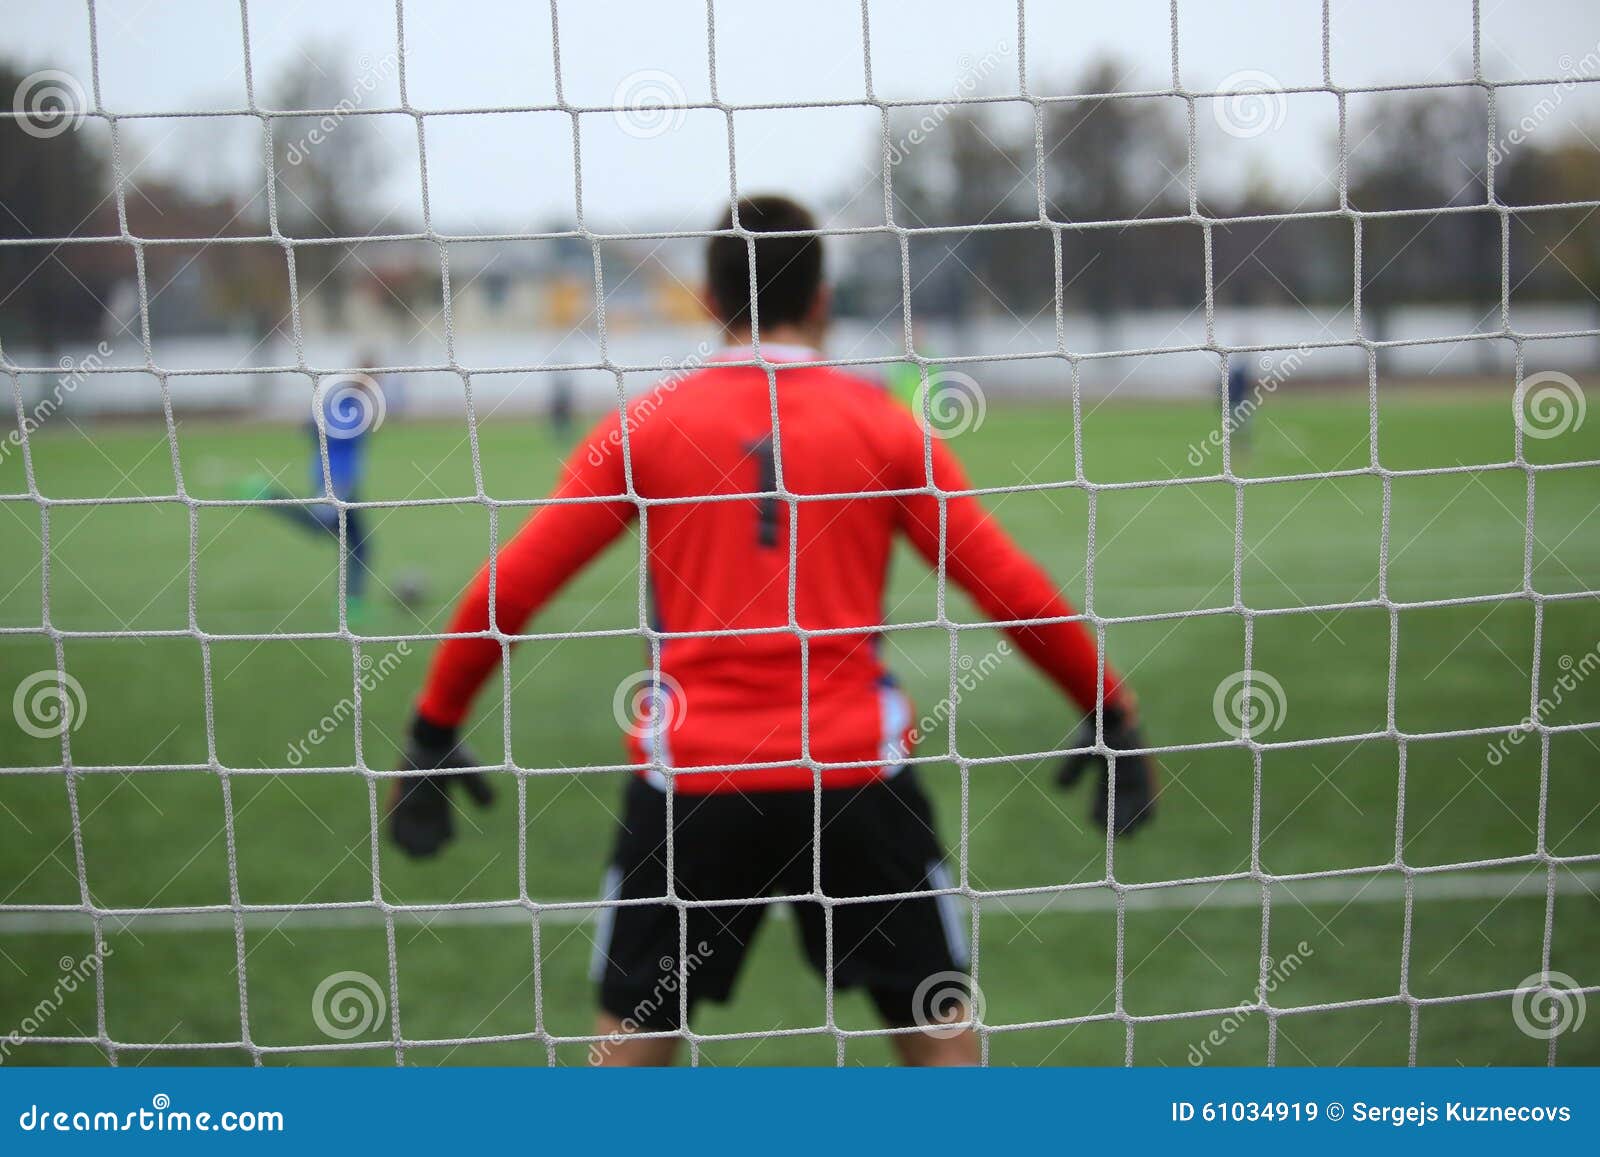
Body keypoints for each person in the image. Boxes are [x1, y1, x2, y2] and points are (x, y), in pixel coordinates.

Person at [388, 196, 1158, 1066]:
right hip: (854, 774)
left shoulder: (647, 425)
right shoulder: (884, 426)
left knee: (631, 1049)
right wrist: (1111, 709)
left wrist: (431, 731)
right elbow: (1011, 588)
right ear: (823, 299)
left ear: (713, 304)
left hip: (693, 778)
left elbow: (511, 587)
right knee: (942, 1038)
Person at [233, 356, 383, 622]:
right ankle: (267, 496)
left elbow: (309, 427)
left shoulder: (348, 403)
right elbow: (321, 429)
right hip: (335, 483)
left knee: (356, 544)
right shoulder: (346, 406)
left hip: (342, 482)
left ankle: (352, 603)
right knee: (335, 535)